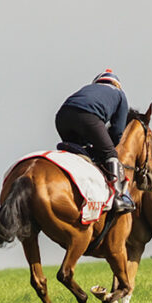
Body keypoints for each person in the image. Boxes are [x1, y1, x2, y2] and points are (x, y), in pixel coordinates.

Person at [54, 69, 134, 213]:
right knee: (110, 154)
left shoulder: (88, 88)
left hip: (62, 118)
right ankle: (117, 197)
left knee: (79, 152)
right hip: (88, 117)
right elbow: (117, 130)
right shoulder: (120, 94)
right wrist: (109, 147)